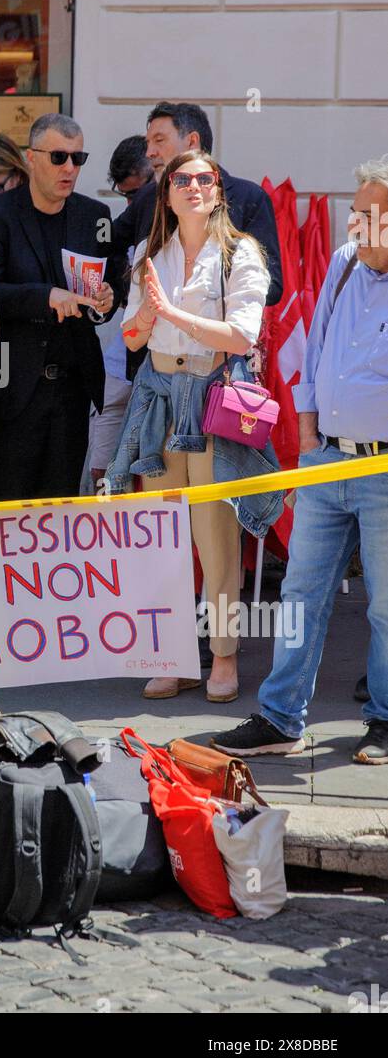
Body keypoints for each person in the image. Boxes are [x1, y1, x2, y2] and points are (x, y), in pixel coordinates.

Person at [213, 157, 388, 764]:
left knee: (386, 605)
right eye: (355, 212)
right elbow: (313, 359)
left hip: (382, 470)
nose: (354, 226)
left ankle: (385, 721)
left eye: (368, 215)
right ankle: (281, 717)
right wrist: (308, 435)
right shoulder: (343, 267)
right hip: (327, 462)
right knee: (299, 596)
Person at [106, 151, 284, 702]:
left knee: (214, 534)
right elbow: (133, 339)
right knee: (161, 535)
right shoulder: (147, 254)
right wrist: (144, 317)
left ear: (218, 191)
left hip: (212, 397)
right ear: (166, 194)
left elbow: (241, 337)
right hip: (158, 396)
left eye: (205, 179)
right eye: (181, 179)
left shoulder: (240, 253)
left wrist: (171, 312)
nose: (194, 187)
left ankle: (223, 658)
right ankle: (173, 656)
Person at [0, 113, 127, 500]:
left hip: (73, 385)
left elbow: (104, 293)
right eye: (59, 157)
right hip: (13, 384)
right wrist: (45, 297)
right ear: (30, 158)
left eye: (78, 158)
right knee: (5, 504)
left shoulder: (95, 216)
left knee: (59, 505)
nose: (70, 168)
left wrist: (106, 301)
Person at [113, 103, 283, 386]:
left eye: (159, 140)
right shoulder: (148, 204)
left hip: (217, 380)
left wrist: (212, 299)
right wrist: (128, 294)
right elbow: (109, 243)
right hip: (154, 379)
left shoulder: (246, 211)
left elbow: (272, 287)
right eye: (180, 181)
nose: (149, 152)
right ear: (166, 198)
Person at [80, 136, 153, 492]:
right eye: (126, 197)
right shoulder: (122, 226)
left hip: (170, 359)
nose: (132, 205)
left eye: (138, 195)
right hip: (122, 349)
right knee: (105, 427)